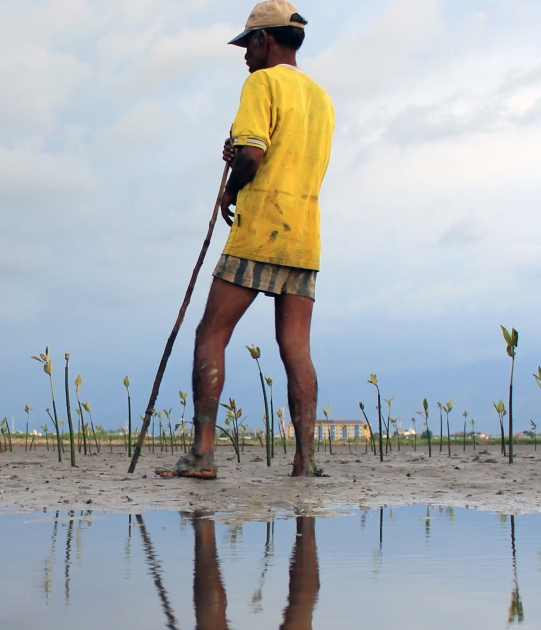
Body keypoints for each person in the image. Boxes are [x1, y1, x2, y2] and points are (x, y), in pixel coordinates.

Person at [158, 0, 334, 478]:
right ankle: (306, 459)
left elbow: (255, 157)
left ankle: (203, 454)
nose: (244, 55)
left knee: (210, 334)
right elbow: (281, 153)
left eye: (248, 45)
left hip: (260, 230)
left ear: (265, 40)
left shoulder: (261, 83)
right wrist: (239, 153)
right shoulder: (321, 98)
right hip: (304, 237)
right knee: (296, 347)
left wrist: (233, 183)